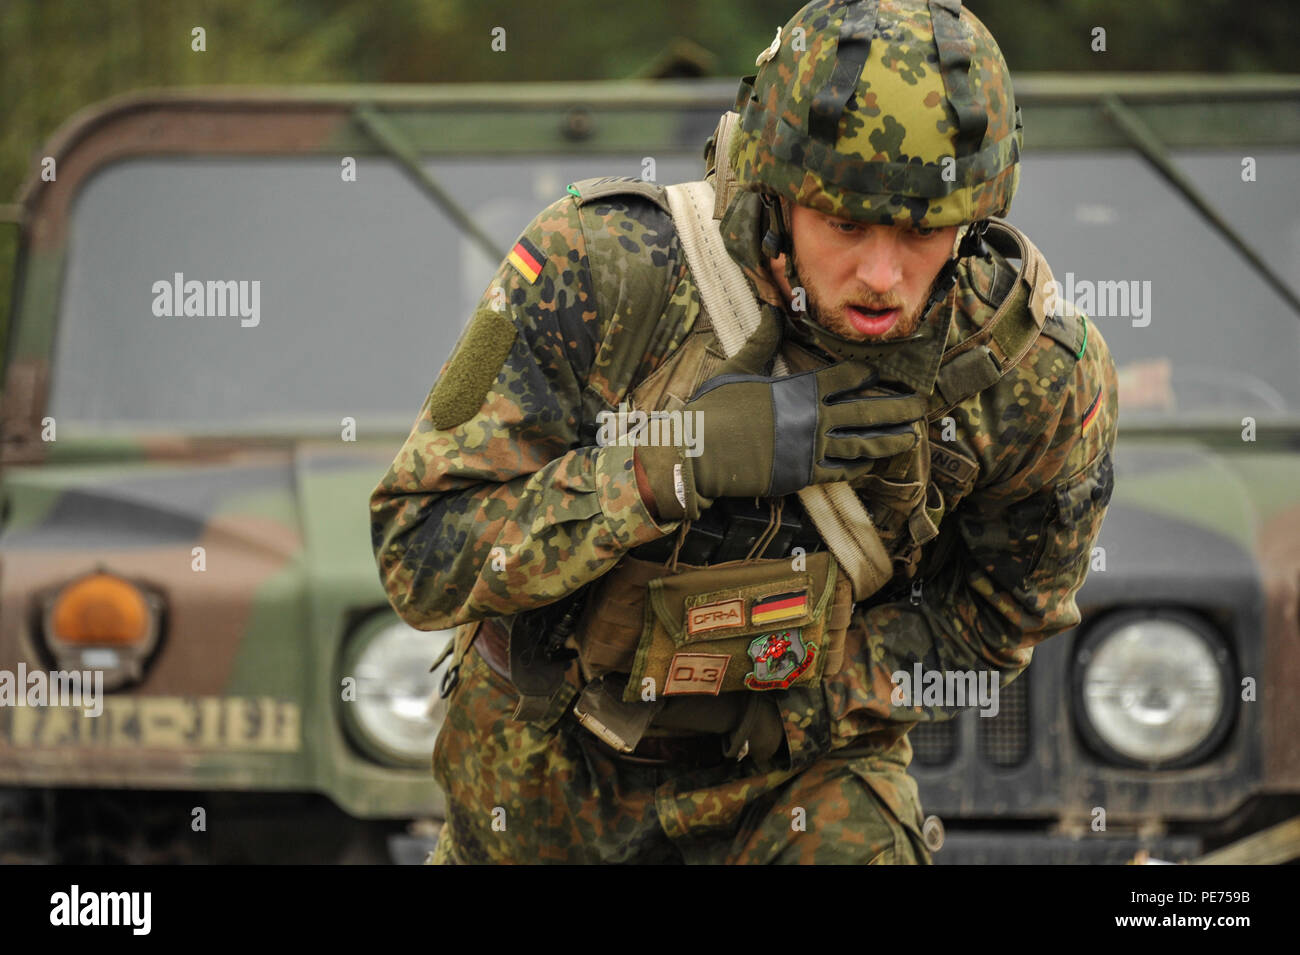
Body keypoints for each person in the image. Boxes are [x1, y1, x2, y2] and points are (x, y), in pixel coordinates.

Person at [369, 0, 1118, 864]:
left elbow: (998, 619)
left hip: (802, 782)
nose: (882, 275)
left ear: (975, 218)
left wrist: (800, 694)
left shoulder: (1032, 370)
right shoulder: (598, 267)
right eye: (845, 223)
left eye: (920, 231)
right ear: (776, 187)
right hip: (542, 773)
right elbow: (418, 552)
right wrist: (665, 470)